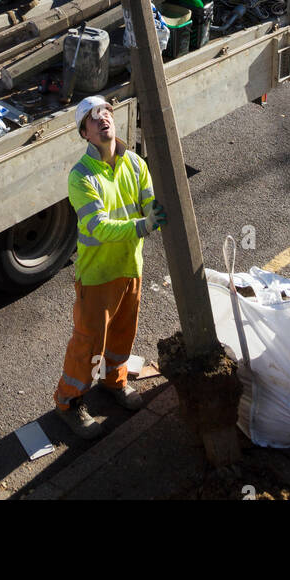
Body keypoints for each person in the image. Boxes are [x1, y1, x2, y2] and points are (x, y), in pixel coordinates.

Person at [54, 95, 167, 439]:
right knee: (88, 345)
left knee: (122, 336)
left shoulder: (135, 164)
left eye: (106, 112)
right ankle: (69, 403)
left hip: (131, 268)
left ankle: (114, 382)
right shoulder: (81, 176)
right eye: (93, 117)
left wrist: (157, 211)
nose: (103, 118)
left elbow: (150, 204)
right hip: (97, 277)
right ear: (84, 133)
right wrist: (143, 226)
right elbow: (98, 226)